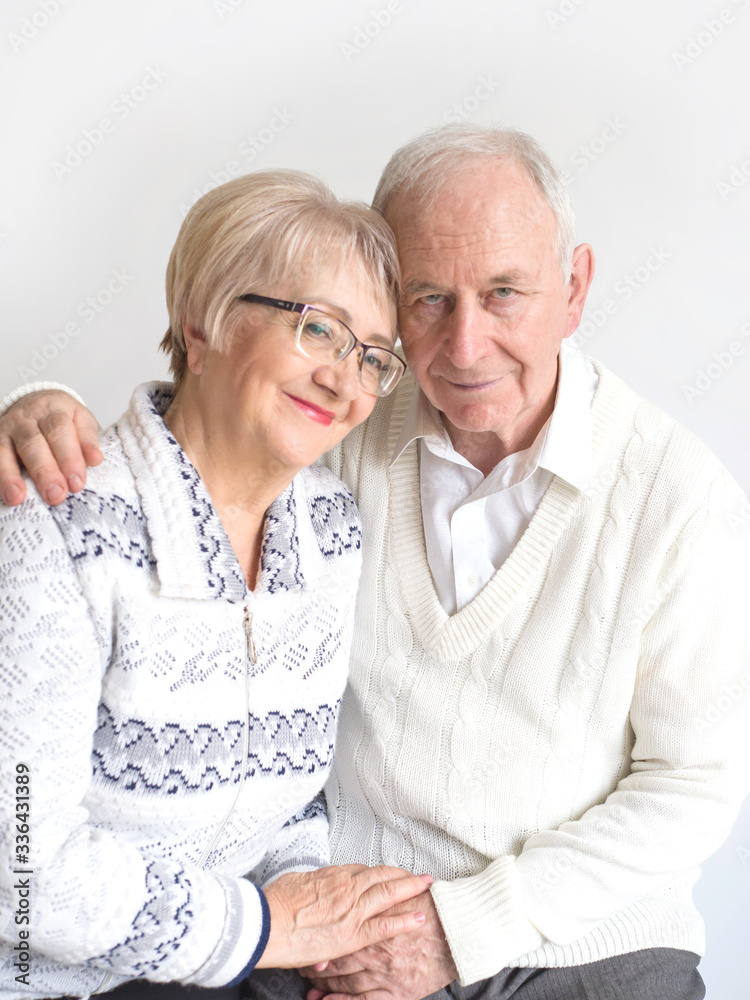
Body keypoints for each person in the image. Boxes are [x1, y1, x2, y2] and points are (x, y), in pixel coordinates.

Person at [2, 126, 749, 1000]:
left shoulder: (676, 495)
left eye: (505, 292)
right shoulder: (340, 446)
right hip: (315, 937)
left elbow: (694, 782)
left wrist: (460, 928)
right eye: (427, 301)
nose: (465, 347)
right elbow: (207, 424)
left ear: (574, 287)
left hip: (576, 941)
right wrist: (32, 411)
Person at [0, 168, 436, 1000]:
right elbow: (23, 863)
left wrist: (312, 922)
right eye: (318, 329)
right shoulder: (61, 517)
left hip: (246, 968)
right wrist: (265, 928)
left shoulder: (333, 531)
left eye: (373, 357)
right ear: (202, 324)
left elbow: (297, 801)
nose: (346, 381)